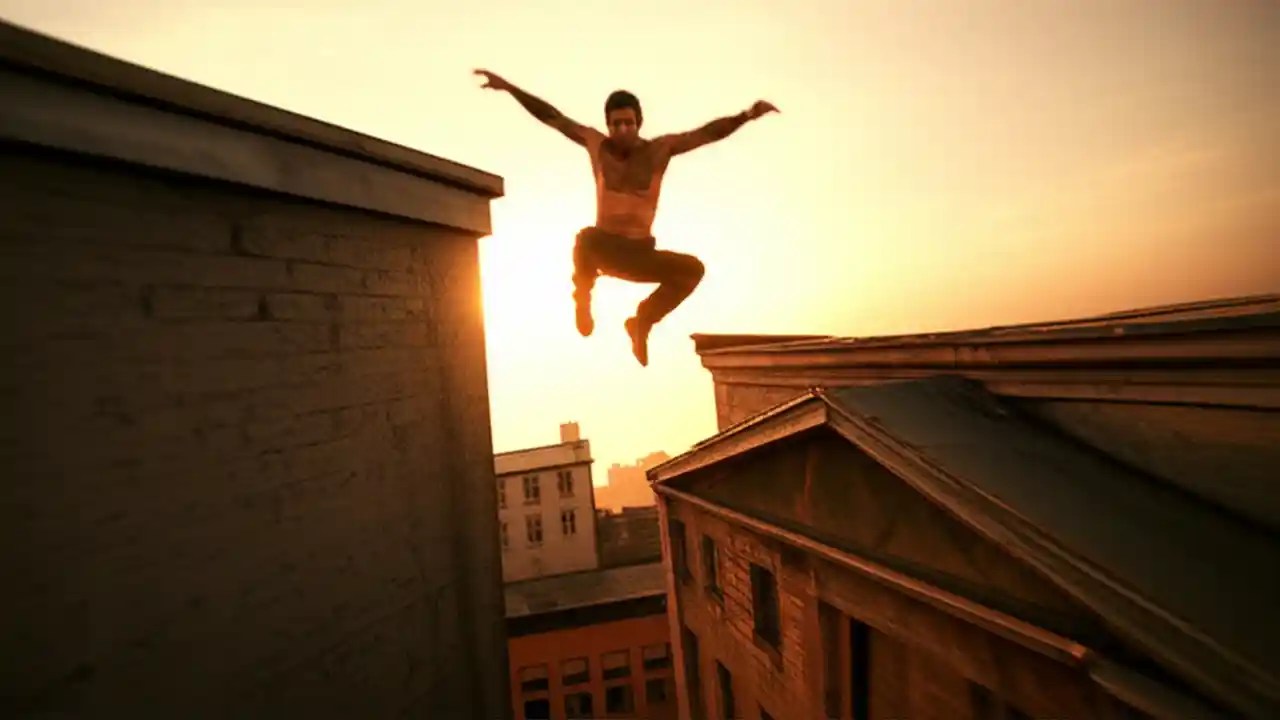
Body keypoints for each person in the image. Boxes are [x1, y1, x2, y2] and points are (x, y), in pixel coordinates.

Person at [475, 69, 778, 366]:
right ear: (607, 126)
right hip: (604, 249)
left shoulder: (661, 149)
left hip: (639, 253)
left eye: (628, 124)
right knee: (585, 238)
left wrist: (746, 115)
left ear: (638, 124)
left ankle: (641, 321)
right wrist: (510, 88)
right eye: (616, 125)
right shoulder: (596, 144)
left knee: (692, 269)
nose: (622, 131)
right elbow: (553, 117)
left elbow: (706, 134)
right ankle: (582, 294)